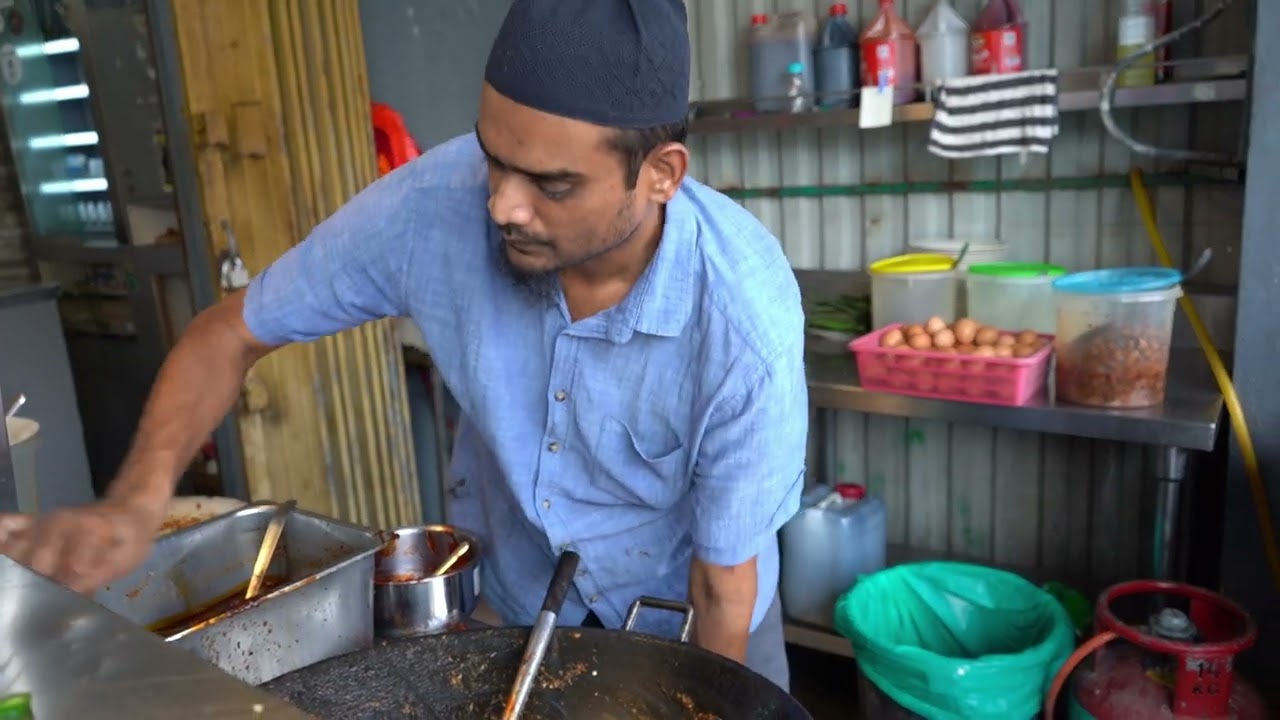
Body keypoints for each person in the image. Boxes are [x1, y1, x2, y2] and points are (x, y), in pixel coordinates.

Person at [0, 0, 807, 690]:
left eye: (551, 184)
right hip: (517, 604)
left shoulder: (743, 319)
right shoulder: (433, 207)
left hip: (693, 617)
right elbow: (229, 332)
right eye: (494, 159)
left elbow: (722, 586)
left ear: (661, 173)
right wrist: (137, 501)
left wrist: (703, 702)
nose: (502, 206)